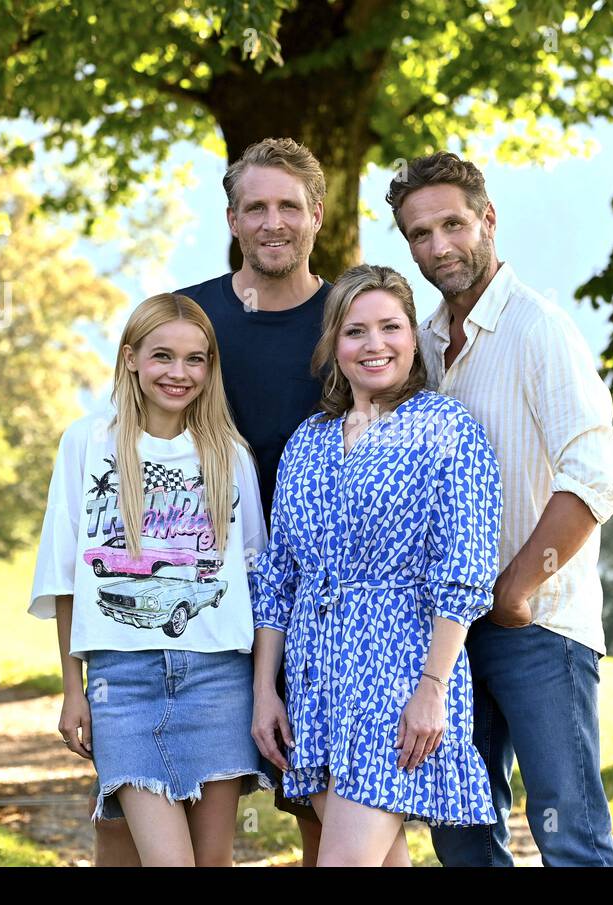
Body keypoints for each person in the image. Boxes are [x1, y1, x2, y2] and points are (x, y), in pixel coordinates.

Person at [91, 137, 334, 866]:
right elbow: (119, 444)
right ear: (231, 218)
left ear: (316, 215)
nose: (272, 222)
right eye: (254, 207)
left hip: (313, 597)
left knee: (318, 798)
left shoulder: (346, 321)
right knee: (130, 819)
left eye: (289, 206)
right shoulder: (189, 319)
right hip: (197, 605)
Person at [387, 151, 613, 867]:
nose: (438, 247)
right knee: (461, 837)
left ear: (488, 221)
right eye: (419, 235)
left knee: (570, 838)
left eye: (452, 225)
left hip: (538, 628)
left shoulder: (538, 329)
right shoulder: (420, 343)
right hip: (446, 636)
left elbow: (594, 476)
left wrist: (517, 587)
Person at [249, 264, 502, 866]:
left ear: (413, 338)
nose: (374, 345)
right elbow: (279, 574)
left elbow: (465, 568)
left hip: (399, 677)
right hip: (317, 681)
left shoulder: (447, 429)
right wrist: (265, 690)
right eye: (356, 331)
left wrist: (433, 688)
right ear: (334, 343)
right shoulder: (309, 438)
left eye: (390, 327)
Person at [29, 293, 272, 866]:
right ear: (131, 358)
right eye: (163, 356)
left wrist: (264, 689)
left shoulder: (229, 455)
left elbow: (257, 582)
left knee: (212, 861)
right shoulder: (86, 444)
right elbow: (65, 574)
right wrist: (73, 688)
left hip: (219, 680)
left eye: (196, 359)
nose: (179, 373)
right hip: (123, 682)